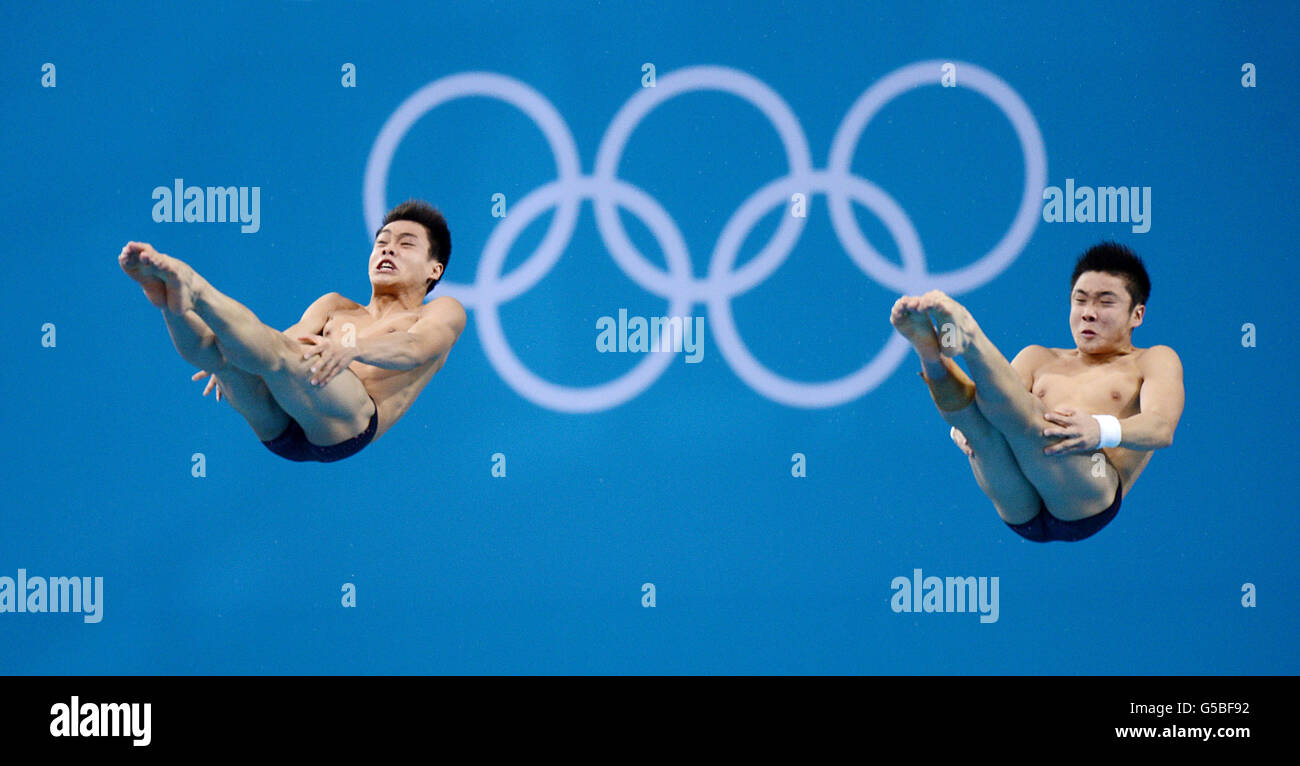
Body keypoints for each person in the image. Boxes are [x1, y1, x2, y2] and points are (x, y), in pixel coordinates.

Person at [119, 200, 466, 462]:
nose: (388, 249)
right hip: (281, 426)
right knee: (222, 355)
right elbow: (279, 343)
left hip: (347, 426)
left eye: (406, 244)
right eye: (382, 242)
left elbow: (416, 346)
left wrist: (354, 348)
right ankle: (165, 298)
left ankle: (197, 289)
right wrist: (236, 354)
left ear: (434, 270)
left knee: (295, 358)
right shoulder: (334, 306)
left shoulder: (442, 310)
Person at [889, 241, 1184, 541]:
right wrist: (961, 432)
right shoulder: (1038, 358)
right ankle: (930, 355)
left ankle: (971, 338)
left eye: (1105, 302)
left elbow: (1161, 428)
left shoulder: (1153, 359)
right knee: (976, 429)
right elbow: (997, 404)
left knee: (1039, 424)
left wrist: (1099, 429)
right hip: (1020, 511)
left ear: (1137, 315)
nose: (1088, 313)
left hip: (1090, 495)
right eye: (1080, 300)